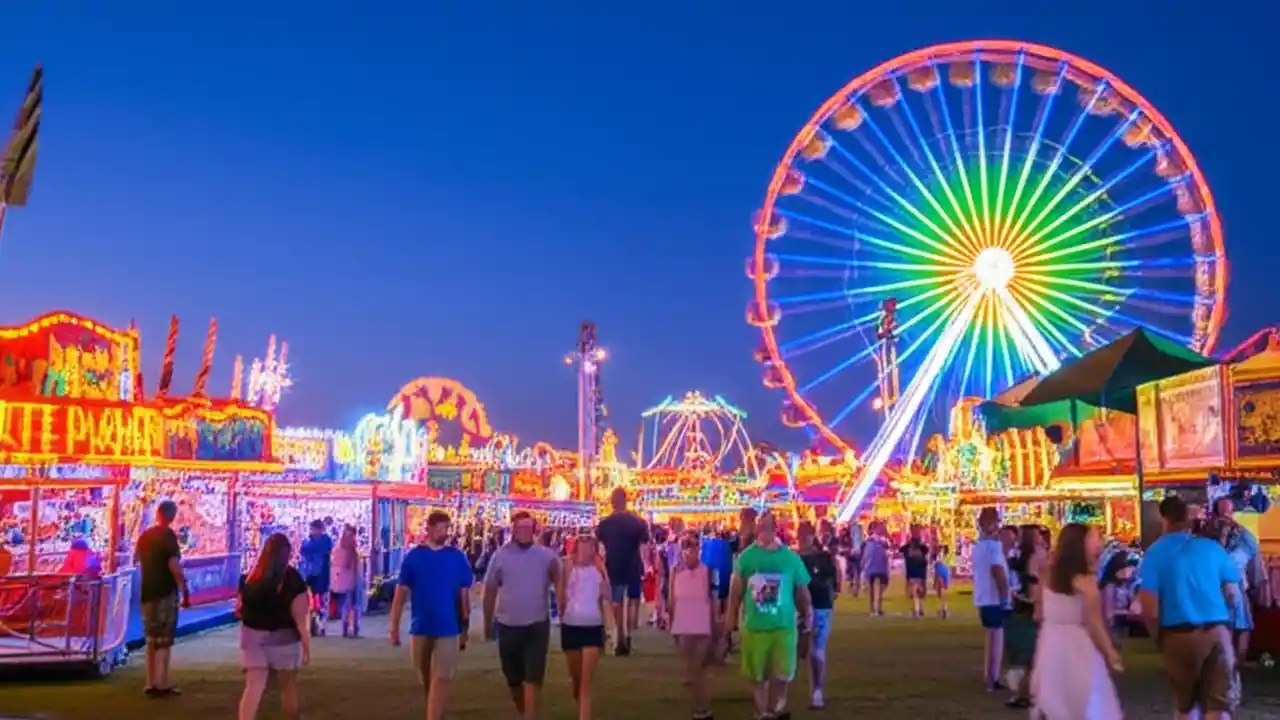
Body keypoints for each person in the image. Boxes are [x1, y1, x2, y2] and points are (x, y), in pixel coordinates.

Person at [1140, 495, 1240, 720]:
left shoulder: (1154, 554)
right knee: (1219, 705)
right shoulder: (1213, 549)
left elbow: (1150, 608)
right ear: (1190, 520)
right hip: (1215, 631)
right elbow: (1232, 595)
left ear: (1163, 519)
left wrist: (1159, 638)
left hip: (1176, 635)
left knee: (1185, 705)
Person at [1030, 523, 1123, 719]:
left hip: (1051, 644)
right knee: (1086, 700)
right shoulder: (1087, 582)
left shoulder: (1048, 573)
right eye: (1093, 539)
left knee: (1056, 702)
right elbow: (1095, 624)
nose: (1098, 544)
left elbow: (1038, 611)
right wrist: (1110, 652)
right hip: (1078, 646)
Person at [725, 511, 812, 720]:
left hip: (783, 627)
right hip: (756, 627)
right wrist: (730, 617)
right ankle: (763, 712)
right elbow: (736, 591)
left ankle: (777, 708)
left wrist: (807, 614)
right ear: (757, 529)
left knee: (783, 674)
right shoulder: (746, 558)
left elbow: (802, 590)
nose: (766, 530)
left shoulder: (790, 558)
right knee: (758, 677)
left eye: (769, 525)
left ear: (776, 528)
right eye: (762, 526)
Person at [391, 510, 473, 720]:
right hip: (421, 626)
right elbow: (401, 595)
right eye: (441, 527)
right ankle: (436, 711)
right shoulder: (414, 557)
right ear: (430, 528)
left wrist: (465, 626)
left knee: (442, 677)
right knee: (425, 677)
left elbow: (464, 595)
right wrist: (394, 626)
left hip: (448, 627)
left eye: (447, 527)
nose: (445, 532)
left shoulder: (457, 558)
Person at [484, 511, 560, 720]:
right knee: (514, 677)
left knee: (533, 676)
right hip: (508, 625)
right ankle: (523, 711)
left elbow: (560, 579)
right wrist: (487, 623)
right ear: (513, 530)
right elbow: (490, 591)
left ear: (534, 530)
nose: (525, 532)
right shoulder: (500, 556)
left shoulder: (546, 556)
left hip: (537, 624)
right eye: (521, 528)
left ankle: (530, 716)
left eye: (528, 528)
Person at [236, 533, 311, 720]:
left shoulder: (250, 578)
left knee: (254, 686)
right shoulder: (293, 580)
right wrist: (306, 647)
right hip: (283, 638)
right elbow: (301, 619)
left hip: (251, 637)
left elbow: (238, 610)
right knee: (287, 686)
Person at [135, 500, 191, 698]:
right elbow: (174, 566)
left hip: (147, 591)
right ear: (172, 516)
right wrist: (185, 590)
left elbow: (135, 559)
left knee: (151, 638)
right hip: (165, 593)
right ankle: (161, 680)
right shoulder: (168, 537)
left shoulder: (145, 536)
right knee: (164, 639)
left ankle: (150, 681)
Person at [557, 534, 608, 720]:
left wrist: (604, 571)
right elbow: (561, 596)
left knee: (586, 680)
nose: (587, 551)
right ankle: (580, 704)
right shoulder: (567, 568)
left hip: (592, 625)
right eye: (583, 547)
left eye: (590, 547)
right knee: (577, 678)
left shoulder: (598, 571)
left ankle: (584, 716)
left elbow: (607, 598)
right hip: (571, 625)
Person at [595, 487, 649, 656]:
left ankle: (619, 633)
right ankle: (630, 634)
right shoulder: (638, 523)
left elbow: (600, 548)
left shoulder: (604, 524)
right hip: (633, 564)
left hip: (614, 565)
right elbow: (644, 546)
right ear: (626, 501)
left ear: (612, 502)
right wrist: (646, 565)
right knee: (633, 601)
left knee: (616, 601)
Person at [670, 531, 716, 720]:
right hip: (683, 623)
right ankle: (701, 706)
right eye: (687, 547)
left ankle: (702, 708)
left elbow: (713, 599)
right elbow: (671, 599)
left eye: (695, 547)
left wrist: (715, 625)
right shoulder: (676, 572)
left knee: (698, 668)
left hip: (702, 624)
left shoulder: (708, 571)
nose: (691, 552)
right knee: (693, 669)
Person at [797, 520, 838, 710]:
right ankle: (816, 690)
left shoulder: (816, 557)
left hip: (815, 606)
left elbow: (833, 581)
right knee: (810, 650)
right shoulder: (797, 557)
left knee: (814, 650)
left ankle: (816, 690)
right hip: (812, 607)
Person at [1004, 525, 1044, 709]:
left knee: (1025, 655)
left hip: (1020, 605)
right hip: (1031, 606)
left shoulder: (1016, 557)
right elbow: (1035, 582)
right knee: (1033, 655)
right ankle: (1027, 693)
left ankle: (1024, 693)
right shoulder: (1037, 556)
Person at [971, 507, 1010, 692]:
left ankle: (990, 676)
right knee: (997, 638)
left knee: (991, 637)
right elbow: (998, 571)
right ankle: (992, 679)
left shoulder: (978, 546)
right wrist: (1005, 596)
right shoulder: (993, 547)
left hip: (982, 596)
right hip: (994, 597)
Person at [299, 520, 334, 636]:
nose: (313, 531)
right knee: (312, 601)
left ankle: (319, 624)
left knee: (319, 601)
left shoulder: (322, 541)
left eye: (315, 529)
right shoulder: (309, 541)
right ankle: (314, 624)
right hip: (310, 575)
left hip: (320, 575)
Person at [1098, 549, 1137, 649]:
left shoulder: (1125, 585)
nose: (1133, 570)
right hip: (1112, 628)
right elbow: (1108, 613)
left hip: (1120, 626)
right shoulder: (1110, 586)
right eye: (1130, 567)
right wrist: (1128, 613)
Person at [331, 524, 363, 638]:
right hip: (352, 579)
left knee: (346, 604)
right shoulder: (352, 550)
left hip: (343, 581)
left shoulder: (338, 549)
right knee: (355, 604)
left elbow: (335, 565)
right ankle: (354, 627)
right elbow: (354, 567)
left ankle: (345, 627)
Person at [899, 525, 929, 618]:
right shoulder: (911, 545)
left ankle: (918, 609)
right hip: (913, 571)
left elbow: (902, 550)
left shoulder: (921, 545)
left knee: (917, 591)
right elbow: (901, 550)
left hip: (918, 571)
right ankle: (918, 609)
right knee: (915, 591)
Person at [861, 523, 890, 617]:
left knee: (879, 590)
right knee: (873, 590)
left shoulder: (884, 541)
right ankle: (874, 609)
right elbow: (866, 553)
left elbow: (887, 553)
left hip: (880, 567)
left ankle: (876, 609)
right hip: (873, 567)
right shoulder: (872, 540)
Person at [932, 543, 951, 618]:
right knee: (942, 592)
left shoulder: (939, 557)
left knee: (940, 593)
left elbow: (937, 564)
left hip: (940, 571)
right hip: (945, 572)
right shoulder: (946, 556)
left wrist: (934, 581)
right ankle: (944, 609)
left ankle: (943, 609)